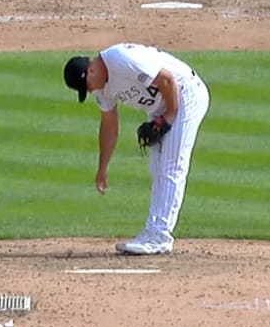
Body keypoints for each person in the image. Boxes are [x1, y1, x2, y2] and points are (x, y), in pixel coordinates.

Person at [63, 43, 211, 256]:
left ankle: (160, 236)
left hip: (185, 95)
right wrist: (102, 168)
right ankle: (152, 231)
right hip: (160, 106)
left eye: (86, 85)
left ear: (91, 70)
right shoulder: (102, 89)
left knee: (171, 166)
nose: (90, 90)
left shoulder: (121, 58)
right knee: (157, 169)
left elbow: (167, 79)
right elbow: (109, 126)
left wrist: (168, 117)